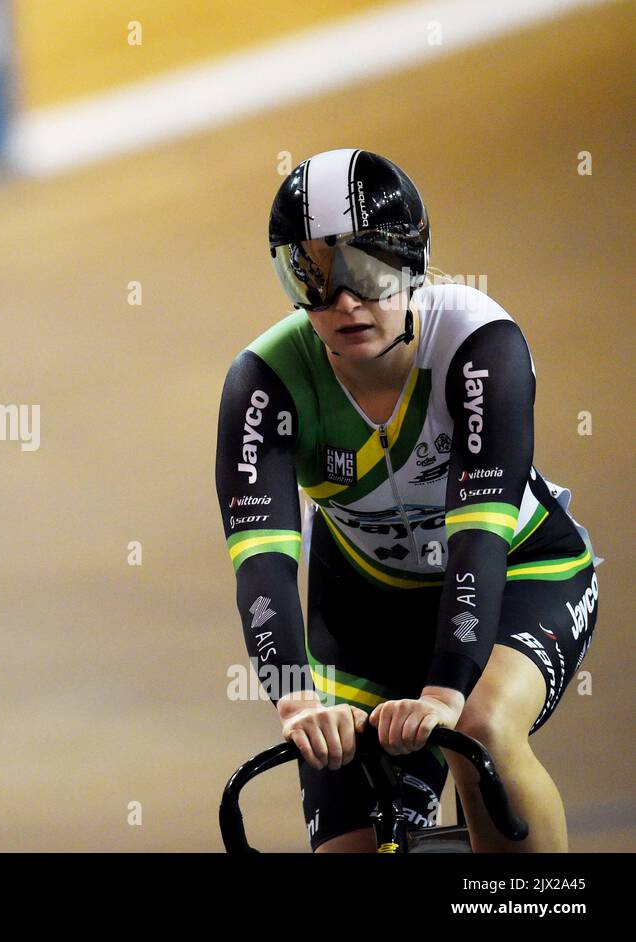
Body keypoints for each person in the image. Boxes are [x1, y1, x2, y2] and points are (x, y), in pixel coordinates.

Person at [214, 148, 599, 852]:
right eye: (313, 277)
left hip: (519, 574)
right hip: (362, 614)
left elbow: (478, 542)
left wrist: (445, 693)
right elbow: (263, 569)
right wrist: (296, 697)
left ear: (415, 263)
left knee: (477, 729)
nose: (345, 303)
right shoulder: (263, 382)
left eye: (365, 271)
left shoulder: (479, 345)